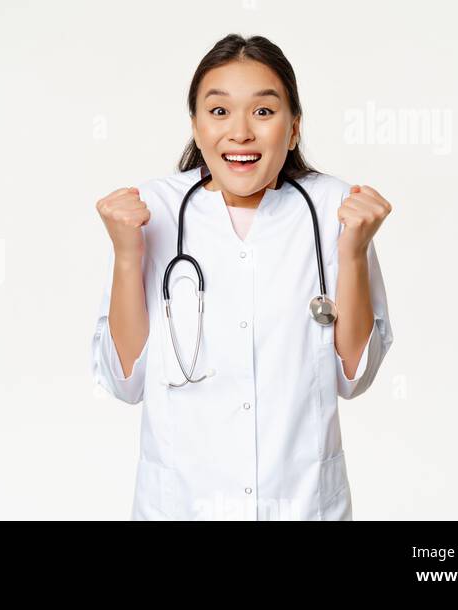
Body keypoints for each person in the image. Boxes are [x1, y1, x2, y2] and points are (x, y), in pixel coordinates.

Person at [91, 34, 394, 520]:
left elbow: (353, 375)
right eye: (218, 111)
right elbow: (126, 382)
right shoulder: (151, 211)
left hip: (302, 504)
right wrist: (127, 256)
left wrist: (353, 253)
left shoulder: (336, 210)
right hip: (183, 506)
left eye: (263, 111)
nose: (240, 133)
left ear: (293, 127)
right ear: (194, 125)